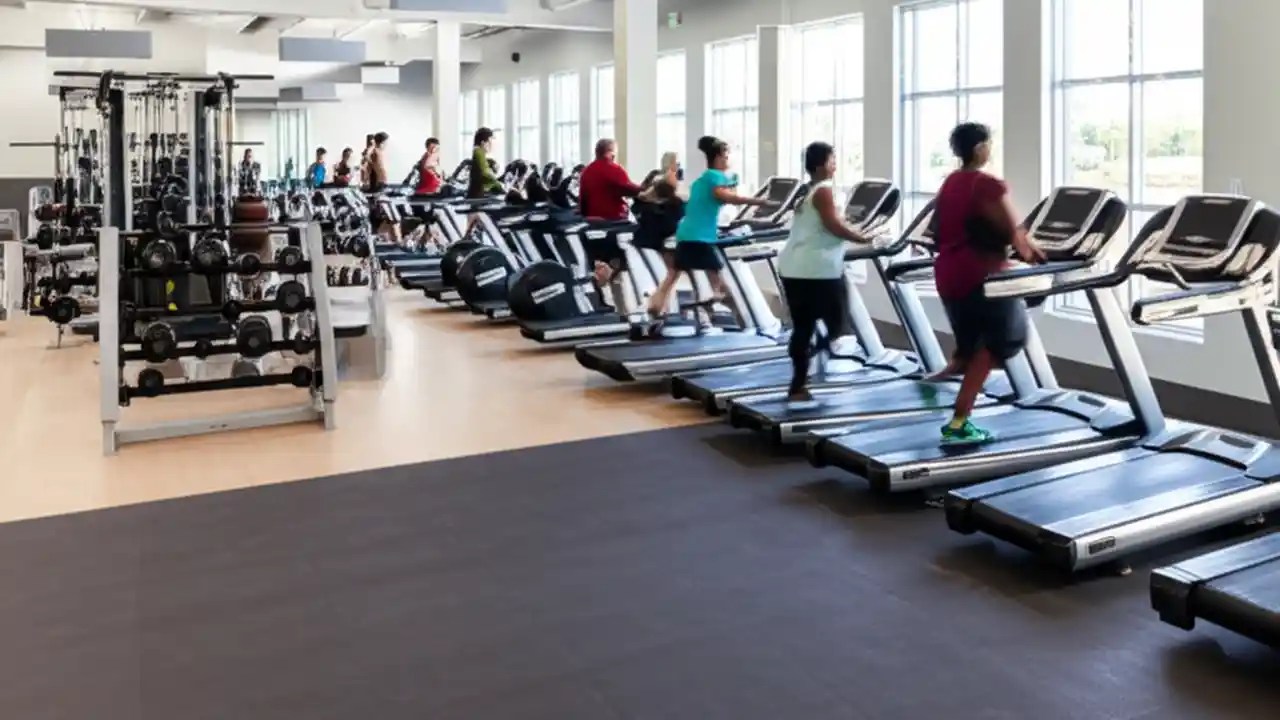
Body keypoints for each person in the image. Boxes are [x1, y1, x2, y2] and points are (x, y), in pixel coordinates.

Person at [933, 122, 1045, 445]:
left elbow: (940, 225)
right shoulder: (988, 185)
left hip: (948, 273)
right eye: (989, 143)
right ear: (980, 148)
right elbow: (1015, 233)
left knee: (971, 345)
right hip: (980, 274)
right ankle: (959, 419)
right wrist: (1036, 254)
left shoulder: (951, 182)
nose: (990, 148)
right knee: (1001, 341)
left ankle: (948, 371)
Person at [646, 136, 774, 330]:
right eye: (727, 155)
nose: (730, 159)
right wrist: (761, 202)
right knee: (721, 286)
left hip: (687, 234)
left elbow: (722, 192)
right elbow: (729, 197)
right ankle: (741, 321)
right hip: (699, 237)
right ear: (720, 157)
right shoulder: (715, 178)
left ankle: (656, 307)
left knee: (673, 276)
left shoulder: (703, 179)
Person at [776, 142, 867, 402]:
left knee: (803, 327)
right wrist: (862, 238)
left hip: (794, 268)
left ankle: (798, 383)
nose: (835, 164)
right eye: (832, 159)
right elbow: (833, 225)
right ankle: (814, 351)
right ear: (821, 165)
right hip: (819, 270)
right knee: (839, 325)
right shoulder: (824, 190)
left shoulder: (806, 191)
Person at [579, 138, 643, 221]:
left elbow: (582, 200)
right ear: (611, 153)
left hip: (591, 218)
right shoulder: (614, 169)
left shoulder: (586, 171)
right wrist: (647, 188)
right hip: (613, 218)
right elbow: (630, 189)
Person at [467, 128, 504, 199]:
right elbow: (486, 173)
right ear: (483, 142)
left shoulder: (479, 153)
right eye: (490, 142)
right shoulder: (478, 152)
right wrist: (500, 186)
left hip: (477, 195)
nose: (491, 145)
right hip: (476, 197)